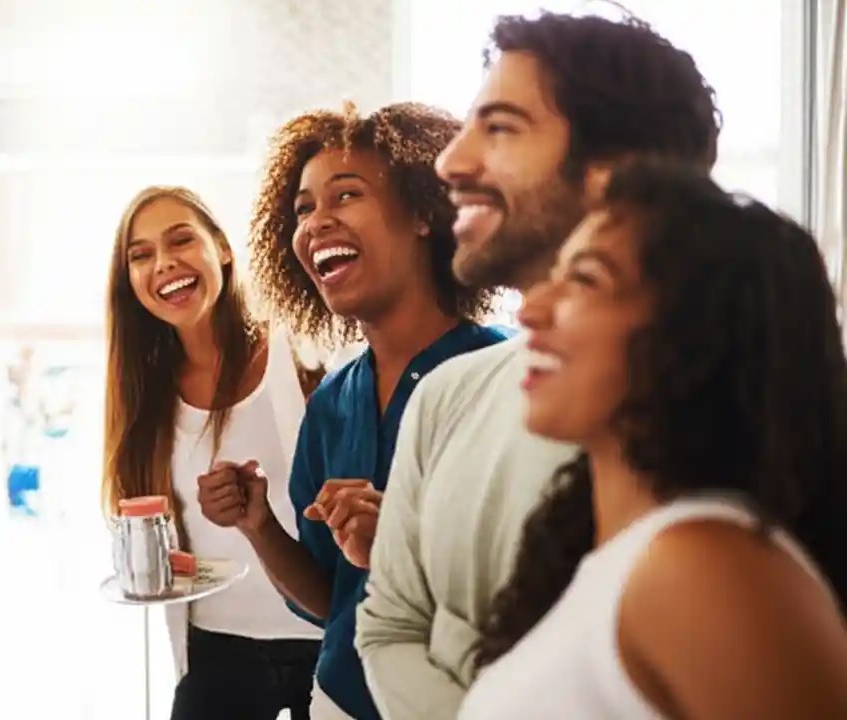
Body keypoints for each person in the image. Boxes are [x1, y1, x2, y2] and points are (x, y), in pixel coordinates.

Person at [355, 12, 724, 719]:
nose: (449, 163)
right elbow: (388, 629)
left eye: (499, 128)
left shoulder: (757, 428)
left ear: (616, 170)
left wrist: (458, 652)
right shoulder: (446, 395)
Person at [461, 157, 847, 719]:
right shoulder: (623, 560)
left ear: (696, 337)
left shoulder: (704, 567)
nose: (533, 307)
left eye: (586, 279)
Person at [197, 102, 506, 720]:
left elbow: (528, 592)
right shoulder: (334, 401)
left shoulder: (501, 380)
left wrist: (399, 541)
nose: (316, 222)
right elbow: (327, 599)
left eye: (345, 195)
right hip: (337, 701)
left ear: (424, 212)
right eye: (303, 208)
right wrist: (259, 526)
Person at [100, 186, 324, 720]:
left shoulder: (300, 355)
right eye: (141, 255)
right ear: (130, 283)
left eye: (182, 240)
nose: (165, 264)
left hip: (324, 639)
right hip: (220, 648)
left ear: (222, 248)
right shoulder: (145, 394)